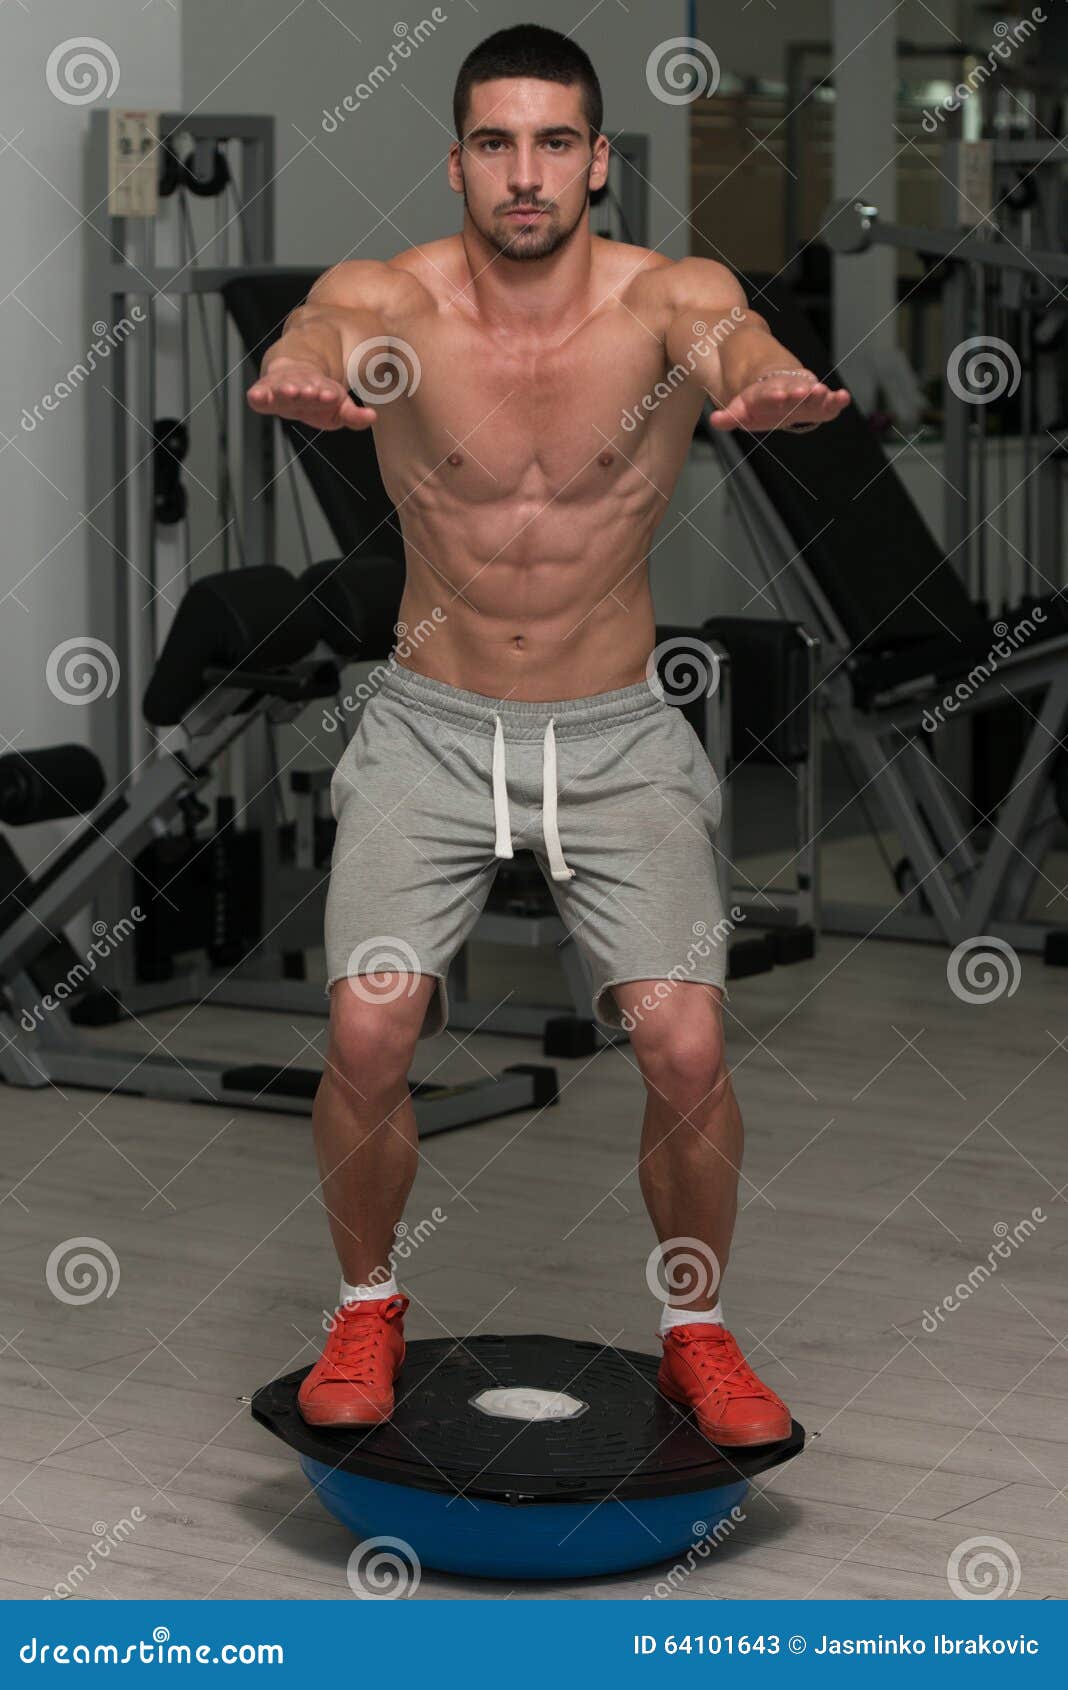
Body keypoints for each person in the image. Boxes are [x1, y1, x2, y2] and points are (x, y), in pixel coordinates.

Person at [247, 23, 849, 1447]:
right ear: (457, 162)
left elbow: (730, 336)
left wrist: (763, 376)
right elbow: (324, 328)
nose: (526, 173)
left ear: (596, 163)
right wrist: (305, 369)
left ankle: (697, 1332)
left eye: (555, 143)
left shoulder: (665, 299)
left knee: (685, 1050)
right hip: (432, 724)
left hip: (617, 731)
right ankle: (367, 1302)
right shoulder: (397, 298)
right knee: (368, 1027)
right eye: (497, 143)